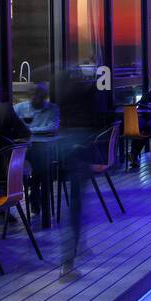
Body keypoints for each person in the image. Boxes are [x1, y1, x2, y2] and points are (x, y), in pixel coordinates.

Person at [55, 67, 111, 276]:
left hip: (64, 151)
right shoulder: (88, 94)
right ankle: (67, 263)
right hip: (82, 151)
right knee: (76, 208)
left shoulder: (63, 96)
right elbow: (101, 117)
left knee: (72, 206)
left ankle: (77, 249)